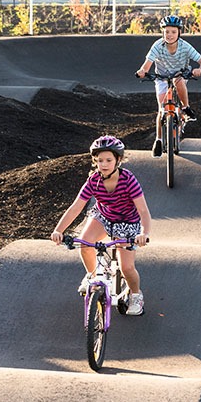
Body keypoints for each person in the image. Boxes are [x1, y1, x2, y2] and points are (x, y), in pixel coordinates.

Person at [49, 135, 152, 316]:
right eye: (99, 160)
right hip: (103, 217)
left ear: (118, 160)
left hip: (127, 222)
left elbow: (143, 211)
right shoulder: (93, 180)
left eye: (108, 160)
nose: (104, 164)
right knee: (85, 244)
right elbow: (76, 207)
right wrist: (59, 230)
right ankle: (92, 276)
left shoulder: (128, 180)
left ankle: (136, 295)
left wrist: (144, 233)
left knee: (127, 268)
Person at [135, 15, 201, 157]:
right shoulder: (157, 46)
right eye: (167, 31)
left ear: (179, 32)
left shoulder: (185, 46)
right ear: (162, 32)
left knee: (177, 80)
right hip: (161, 77)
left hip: (180, 74)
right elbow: (146, 65)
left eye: (173, 32)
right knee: (162, 108)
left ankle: (185, 108)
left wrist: (200, 69)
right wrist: (142, 72)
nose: (170, 35)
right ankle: (158, 139)